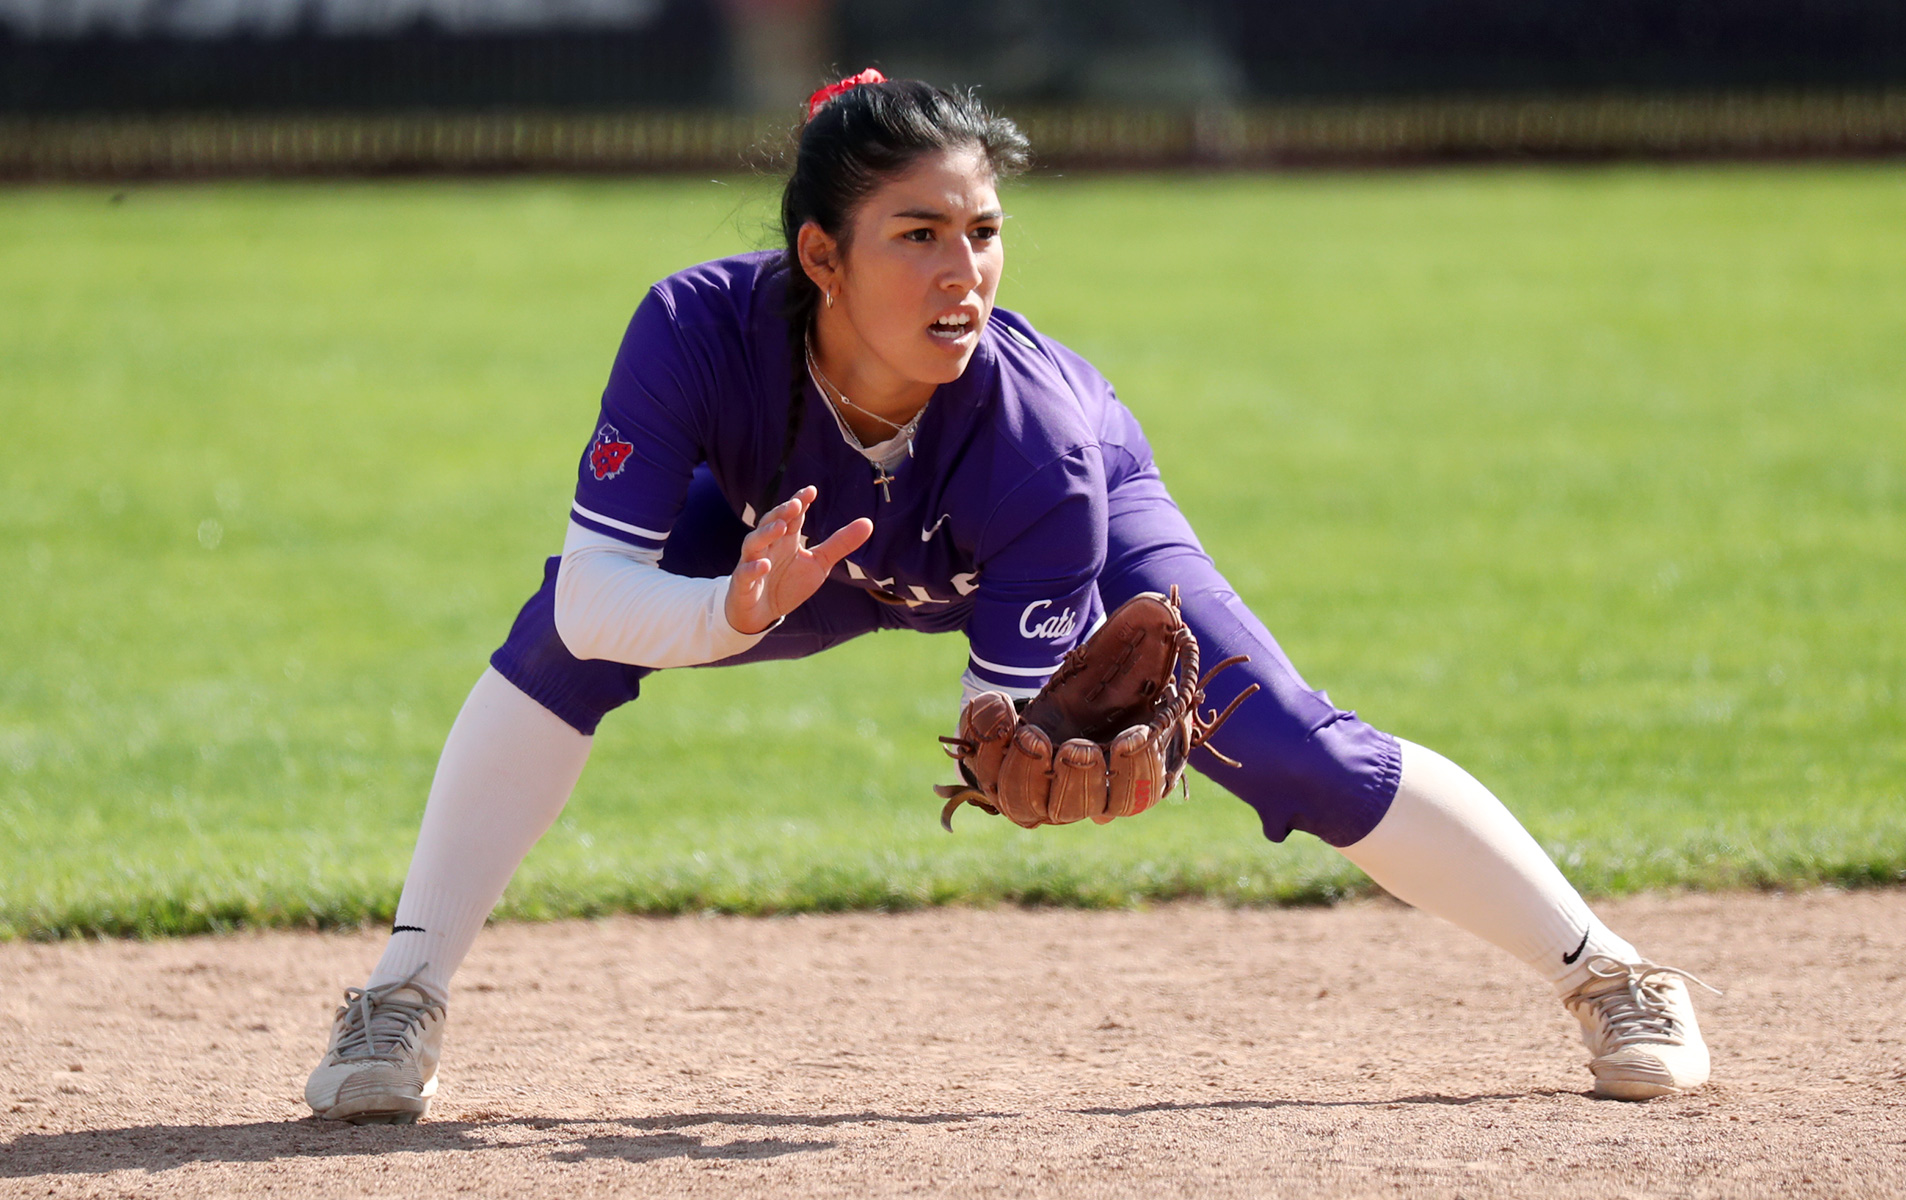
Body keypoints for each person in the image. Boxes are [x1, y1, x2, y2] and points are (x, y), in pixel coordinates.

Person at [304, 73, 1714, 1125]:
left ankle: (1610, 975)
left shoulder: (1038, 434)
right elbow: (598, 601)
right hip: (783, 544)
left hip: (1035, 531)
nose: (963, 270)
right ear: (819, 257)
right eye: (917, 233)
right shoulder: (694, 330)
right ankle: (401, 998)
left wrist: (1021, 744)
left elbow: (1009, 712)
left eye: (982, 232)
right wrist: (730, 610)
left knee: (1284, 738)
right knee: (553, 646)